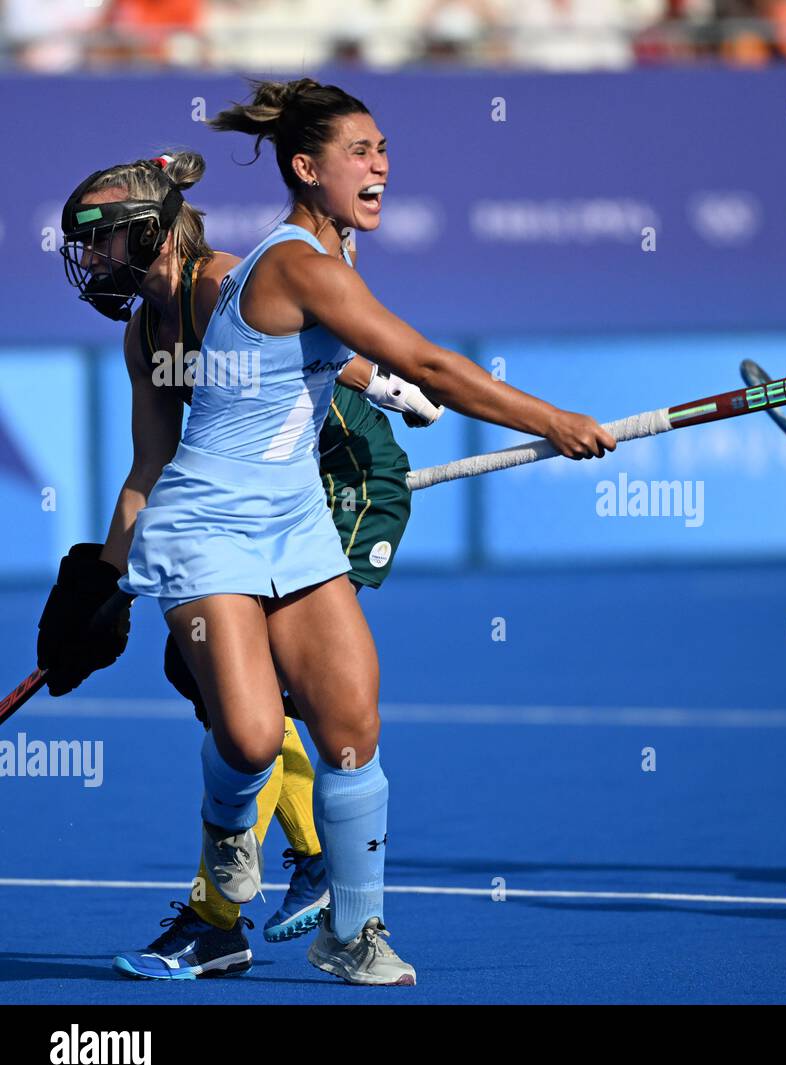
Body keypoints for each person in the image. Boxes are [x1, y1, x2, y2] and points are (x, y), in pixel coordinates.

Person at [55, 76, 614, 984]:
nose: (381, 164)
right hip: (207, 531)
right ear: (307, 170)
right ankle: (232, 849)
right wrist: (97, 584)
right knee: (244, 736)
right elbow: (152, 466)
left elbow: (401, 366)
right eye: (363, 151)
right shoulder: (286, 266)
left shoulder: (297, 265)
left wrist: (404, 393)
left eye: (382, 149)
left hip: (300, 523)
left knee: (351, 729)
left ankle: (353, 934)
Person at [50, 149, 442, 979]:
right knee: (222, 688)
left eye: (105, 241)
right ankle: (268, 876)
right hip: (238, 500)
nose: (91, 261)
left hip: (341, 472)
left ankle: (273, 887)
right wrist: (102, 587)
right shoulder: (145, 329)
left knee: (282, 688)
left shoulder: (225, 282)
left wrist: (386, 383)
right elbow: (149, 469)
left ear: (151, 231)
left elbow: (321, 326)